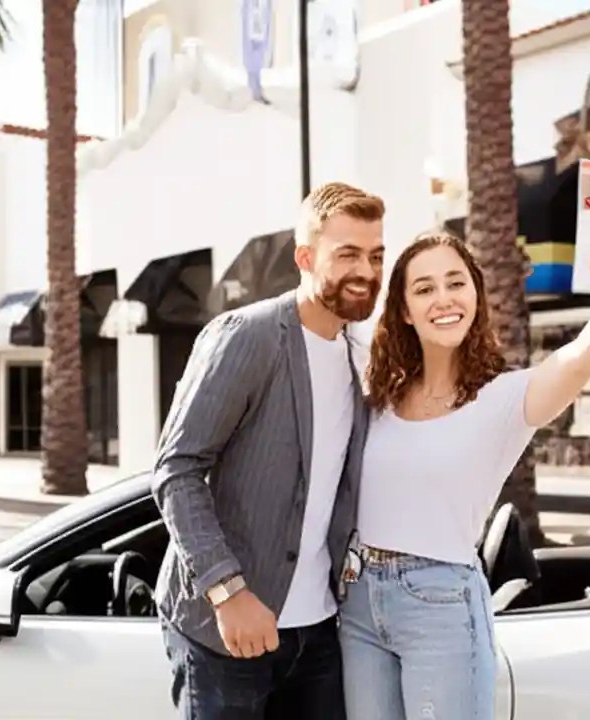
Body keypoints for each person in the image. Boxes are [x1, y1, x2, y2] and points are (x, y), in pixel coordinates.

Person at [340, 166, 590, 719]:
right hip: (358, 600)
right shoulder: (379, 395)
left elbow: (584, 353)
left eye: (456, 283)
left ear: (476, 295)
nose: (443, 299)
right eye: (424, 288)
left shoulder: (504, 398)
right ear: (403, 310)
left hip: (440, 602)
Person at [151, 181, 387, 719]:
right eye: (347, 253)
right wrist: (227, 591)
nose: (366, 271)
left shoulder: (360, 355)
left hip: (320, 630)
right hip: (225, 634)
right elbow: (176, 471)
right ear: (305, 257)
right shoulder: (248, 335)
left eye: (375, 255)